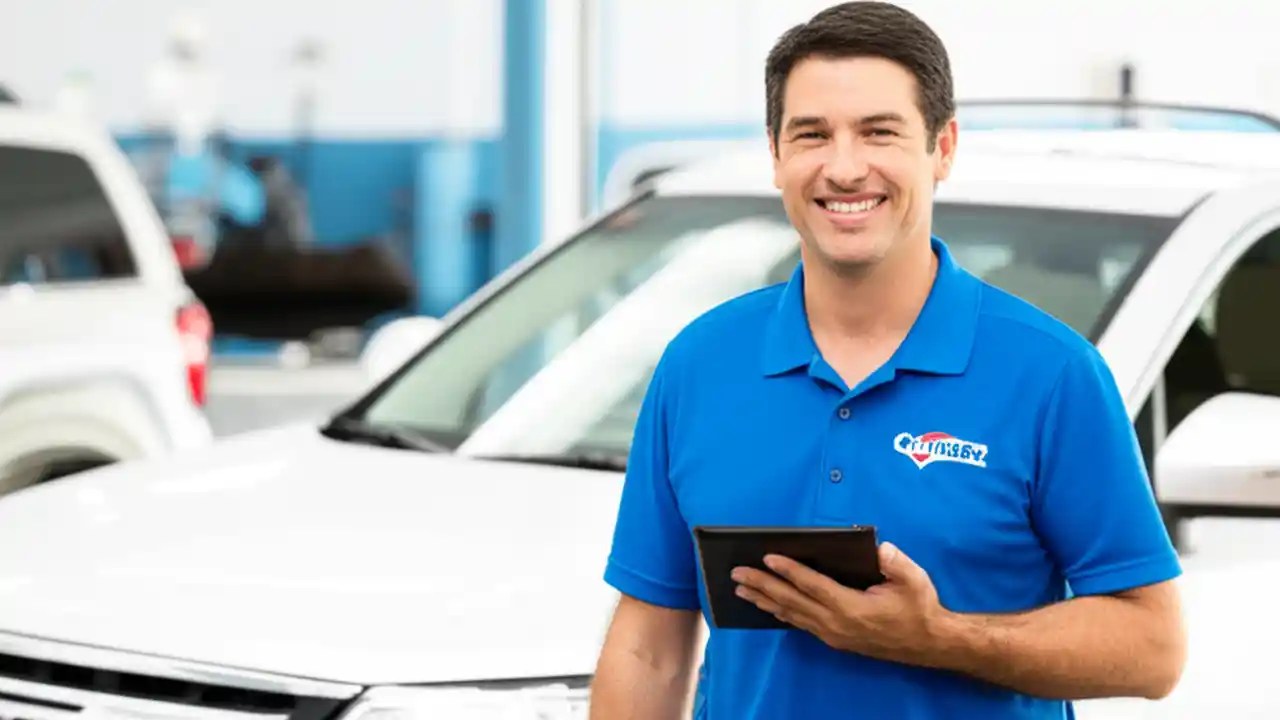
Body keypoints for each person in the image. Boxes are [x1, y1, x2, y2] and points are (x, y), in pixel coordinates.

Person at [588, 2, 1187, 718]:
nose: (844, 168)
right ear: (776, 154)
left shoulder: (1052, 374)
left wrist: (938, 636)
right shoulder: (700, 364)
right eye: (813, 134)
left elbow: (1153, 649)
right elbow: (647, 648)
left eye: (879, 132)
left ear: (942, 148)